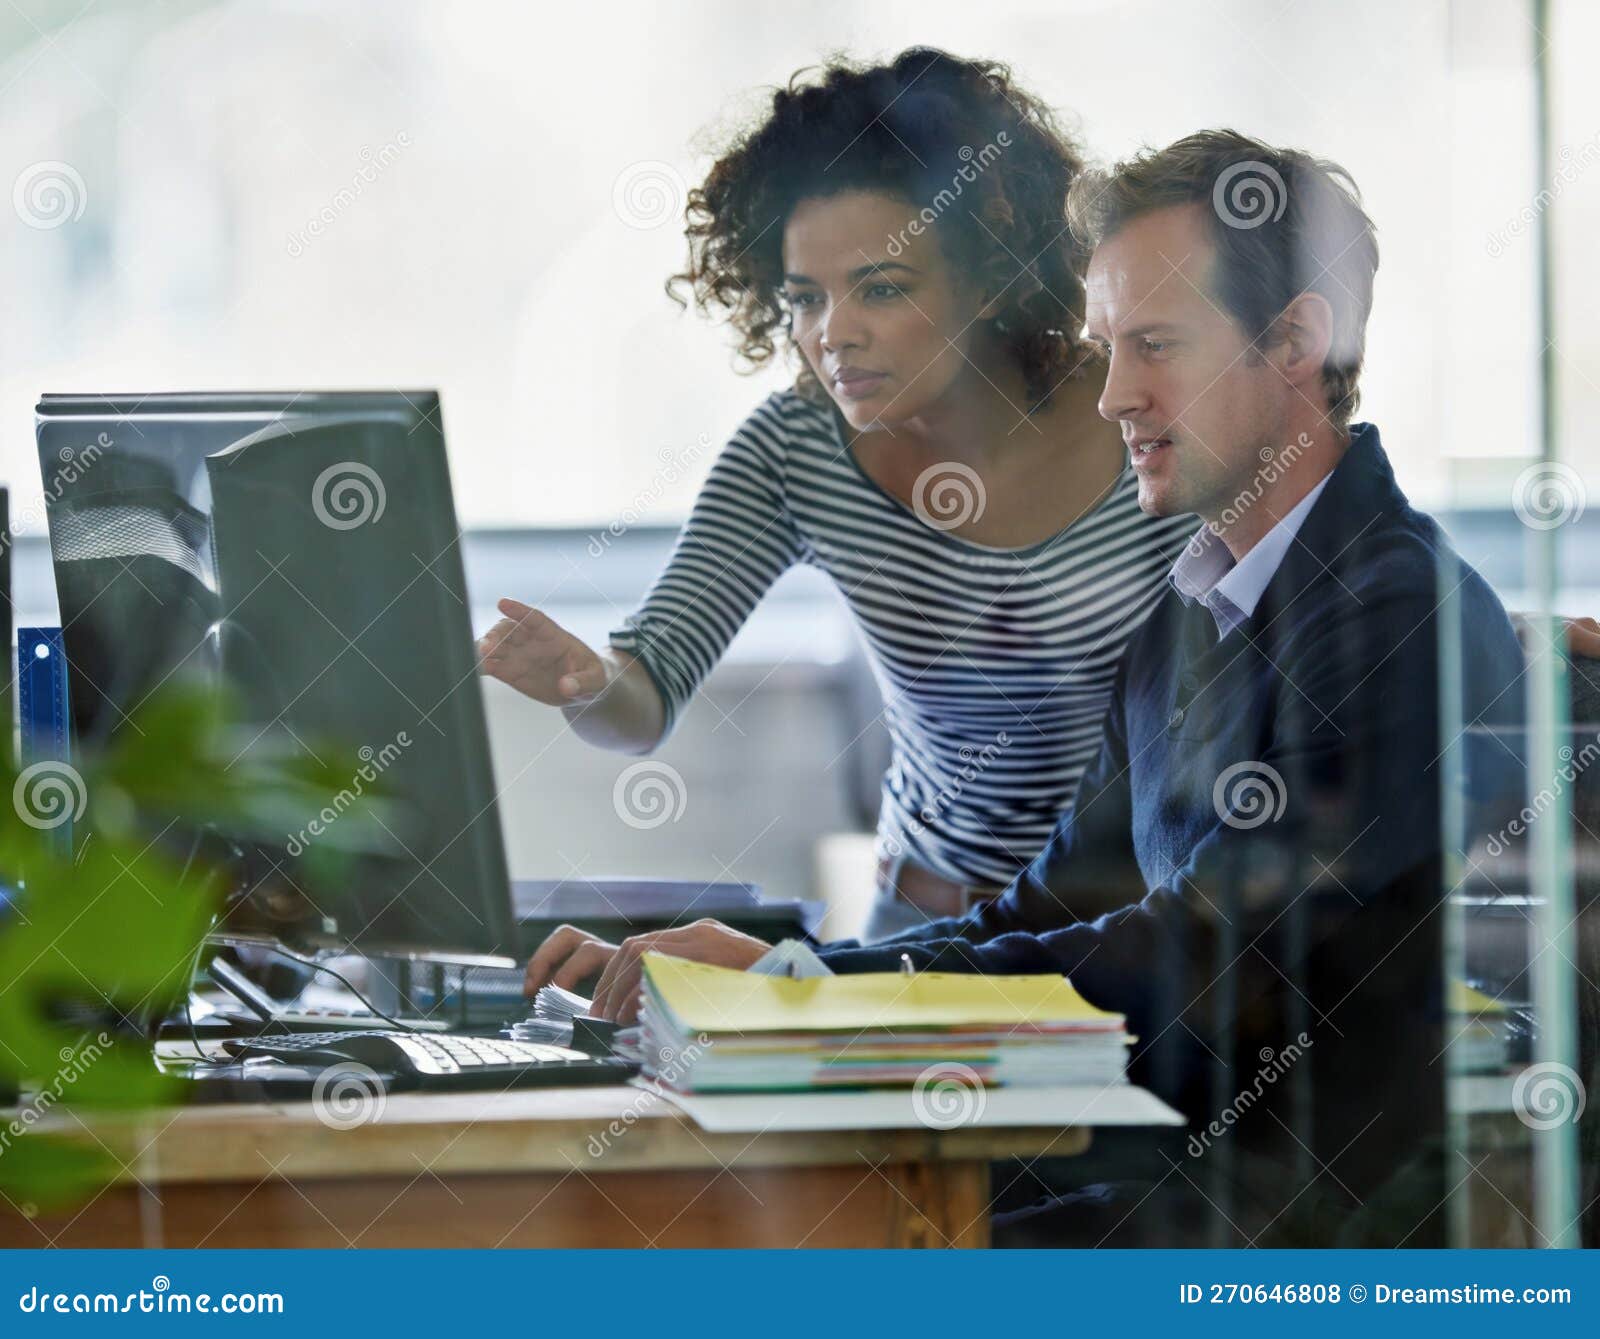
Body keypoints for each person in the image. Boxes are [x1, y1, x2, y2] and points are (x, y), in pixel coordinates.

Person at [526, 131, 1531, 1245]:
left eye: (1154, 346)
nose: (1112, 398)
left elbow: (1196, 957)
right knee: (754, 1214)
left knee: (817, 1248)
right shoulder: (1190, 609)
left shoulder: (1393, 609)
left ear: (1294, 338)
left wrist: (807, 991)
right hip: (1175, 1166)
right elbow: (1046, 905)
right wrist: (785, 972)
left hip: (1315, 1231)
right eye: (1106, 348)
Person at [477, 48, 1198, 938]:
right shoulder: (795, 449)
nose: (832, 337)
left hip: (1125, 934)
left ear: (989, 276)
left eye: (881, 290)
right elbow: (646, 692)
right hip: (920, 930)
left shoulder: (1137, 410)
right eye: (805, 299)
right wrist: (584, 683)